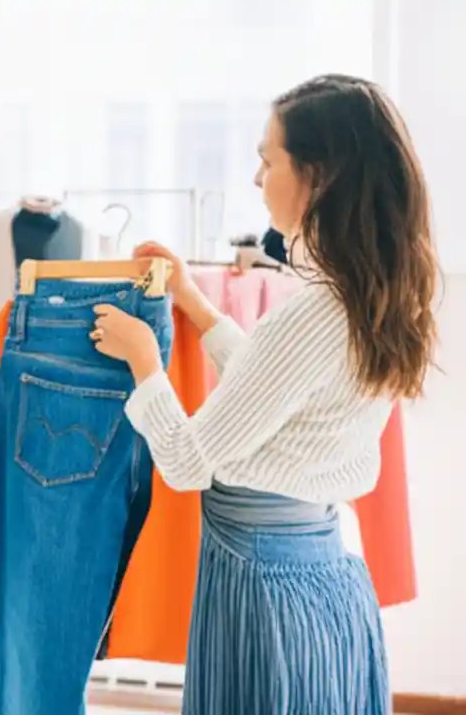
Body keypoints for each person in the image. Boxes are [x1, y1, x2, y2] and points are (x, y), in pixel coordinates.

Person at [90, 74, 439, 713]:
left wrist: (145, 363)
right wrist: (196, 306)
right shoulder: (370, 301)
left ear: (319, 175)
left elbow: (189, 463)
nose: (256, 178)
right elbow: (276, 391)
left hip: (263, 582)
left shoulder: (312, 314)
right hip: (323, 574)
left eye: (266, 158)